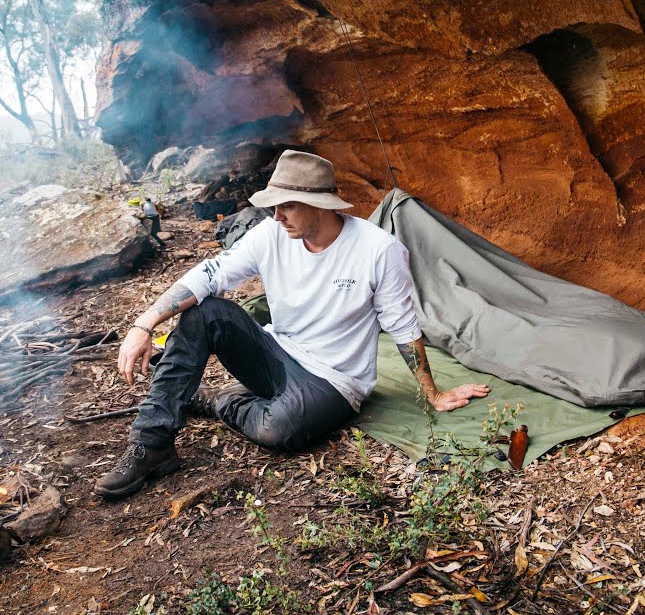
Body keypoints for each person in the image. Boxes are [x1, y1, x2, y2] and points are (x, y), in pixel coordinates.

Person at [95, 151, 490, 499]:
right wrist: (143, 324)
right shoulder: (272, 233)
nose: (276, 215)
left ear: (320, 204)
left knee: (278, 431)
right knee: (205, 311)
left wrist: (433, 394)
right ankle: (152, 443)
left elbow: (402, 326)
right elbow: (211, 273)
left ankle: (218, 401)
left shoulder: (378, 250)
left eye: (287, 206)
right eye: (274, 206)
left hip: (333, 379)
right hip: (276, 353)